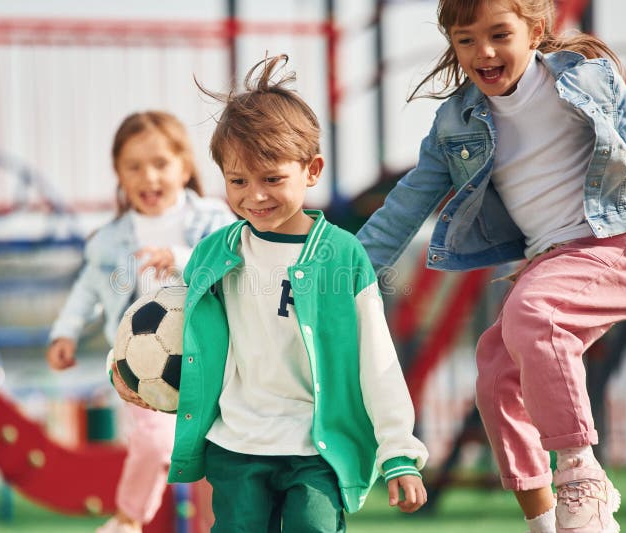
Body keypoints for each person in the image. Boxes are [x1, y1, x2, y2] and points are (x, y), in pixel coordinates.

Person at [356, 1, 626, 532]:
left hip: (622, 245)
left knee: (534, 314)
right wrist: (339, 273)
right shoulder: (457, 124)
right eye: (466, 40)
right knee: (496, 374)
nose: (484, 52)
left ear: (535, 31)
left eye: (499, 34)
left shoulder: (588, 82)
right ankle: (546, 522)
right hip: (552, 263)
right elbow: (404, 206)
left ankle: (581, 476)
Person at [118, 54, 429, 532]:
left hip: (317, 449)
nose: (254, 195)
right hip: (237, 445)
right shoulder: (214, 254)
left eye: (272, 179)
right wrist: (122, 367)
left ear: (312, 170)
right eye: (237, 181)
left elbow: (377, 358)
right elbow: (174, 324)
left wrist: (399, 451)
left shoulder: (342, 256)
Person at [47, 111, 235, 533]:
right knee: (153, 441)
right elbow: (87, 289)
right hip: (143, 370)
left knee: (217, 460)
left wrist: (183, 260)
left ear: (184, 167)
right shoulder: (111, 241)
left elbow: (234, 263)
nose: (148, 177)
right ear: (118, 174)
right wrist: (65, 332)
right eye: (133, 167)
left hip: (212, 366)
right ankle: (129, 518)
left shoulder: (213, 220)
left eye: (160, 164)